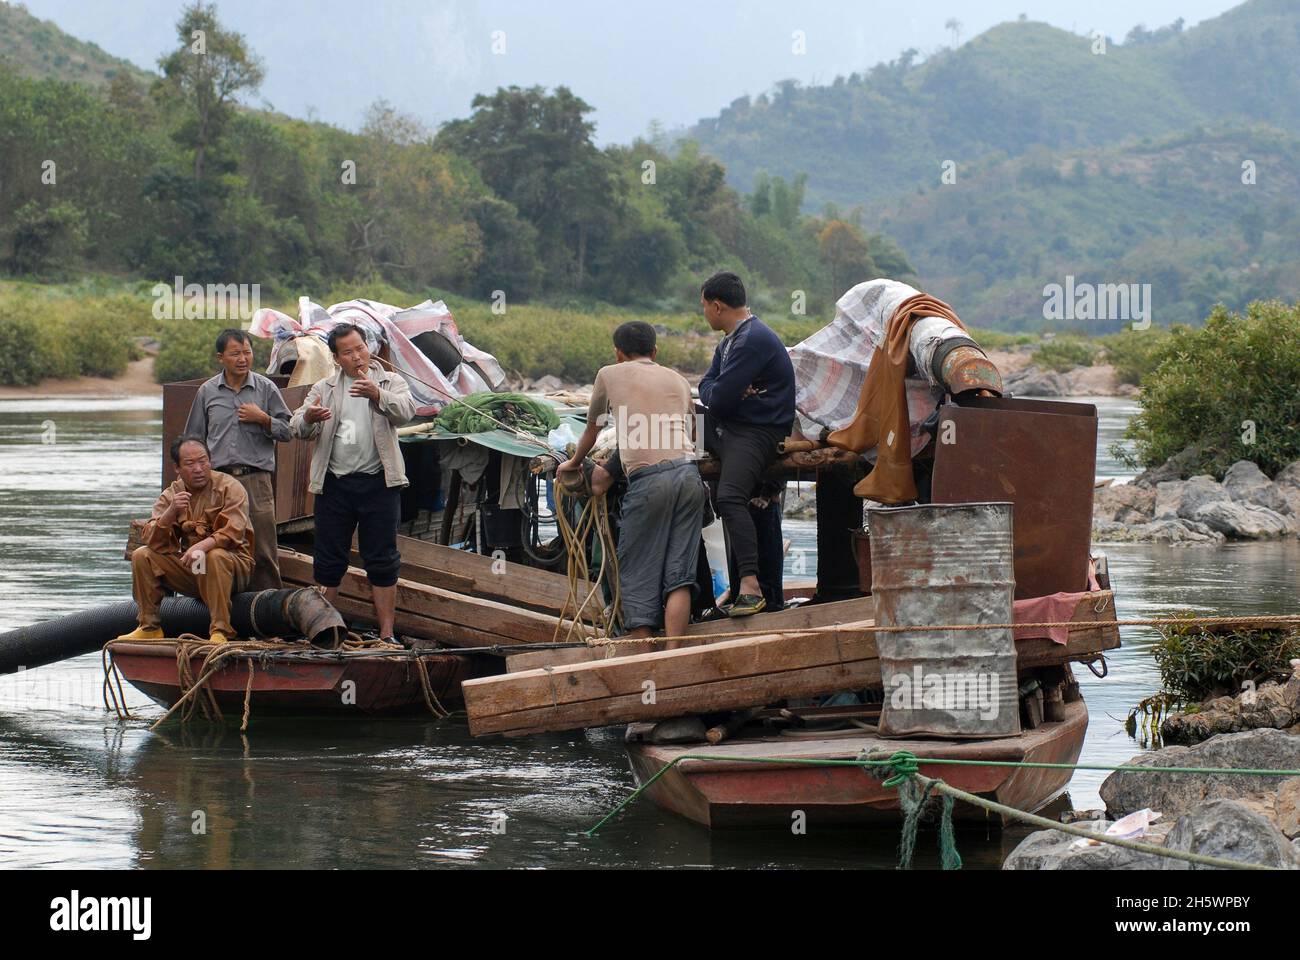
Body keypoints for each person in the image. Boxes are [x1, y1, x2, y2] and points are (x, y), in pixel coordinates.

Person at [558, 321, 705, 641]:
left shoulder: (609, 374)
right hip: (689, 476)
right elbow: (697, 430)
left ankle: (641, 660)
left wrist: (573, 462)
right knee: (679, 575)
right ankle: (673, 653)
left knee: (637, 572)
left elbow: (593, 429)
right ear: (655, 351)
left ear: (618, 354)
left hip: (650, 482)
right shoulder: (679, 379)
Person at [290, 323, 416, 644]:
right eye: (348, 352)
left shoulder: (390, 380)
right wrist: (309, 418)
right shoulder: (325, 388)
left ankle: (387, 633)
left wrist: (378, 395)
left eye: (360, 348)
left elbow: (406, 412)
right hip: (335, 487)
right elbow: (295, 426)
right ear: (336, 358)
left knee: (382, 559)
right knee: (329, 560)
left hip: (379, 485)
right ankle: (324, 631)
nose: (357, 356)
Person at [698, 271, 796, 616]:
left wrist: (727, 393)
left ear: (717, 305)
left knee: (729, 496)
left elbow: (720, 399)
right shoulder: (729, 343)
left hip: (758, 431)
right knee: (691, 419)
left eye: (705, 307)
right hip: (734, 427)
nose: (705, 314)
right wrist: (725, 392)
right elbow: (708, 387)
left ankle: (751, 587)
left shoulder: (752, 339)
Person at [183, 329, 292, 591]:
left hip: (256, 480)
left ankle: (266, 619)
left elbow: (288, 431)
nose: (243, 359)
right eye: (235, 353)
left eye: (247, 352)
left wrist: (263, 418)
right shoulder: (207, 391)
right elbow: (193, 440)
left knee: (264, 550)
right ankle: (213, 609)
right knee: (214, 544)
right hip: (218, 483)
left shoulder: (266, 388)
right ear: (221, 357)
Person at [119, 437, 254, 644]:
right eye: (190, 464)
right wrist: (171, 513)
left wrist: (202, 545)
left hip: (233, 568)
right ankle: (149, 626)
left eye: (203, 461)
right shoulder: (172, 493)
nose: (198, 469)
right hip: (195, 570)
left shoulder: (230, 487)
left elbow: (233, 533)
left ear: (210, 461)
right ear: (177, 468)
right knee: (142, 555)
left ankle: (221, 631)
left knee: (213, 555)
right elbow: (153, 541)